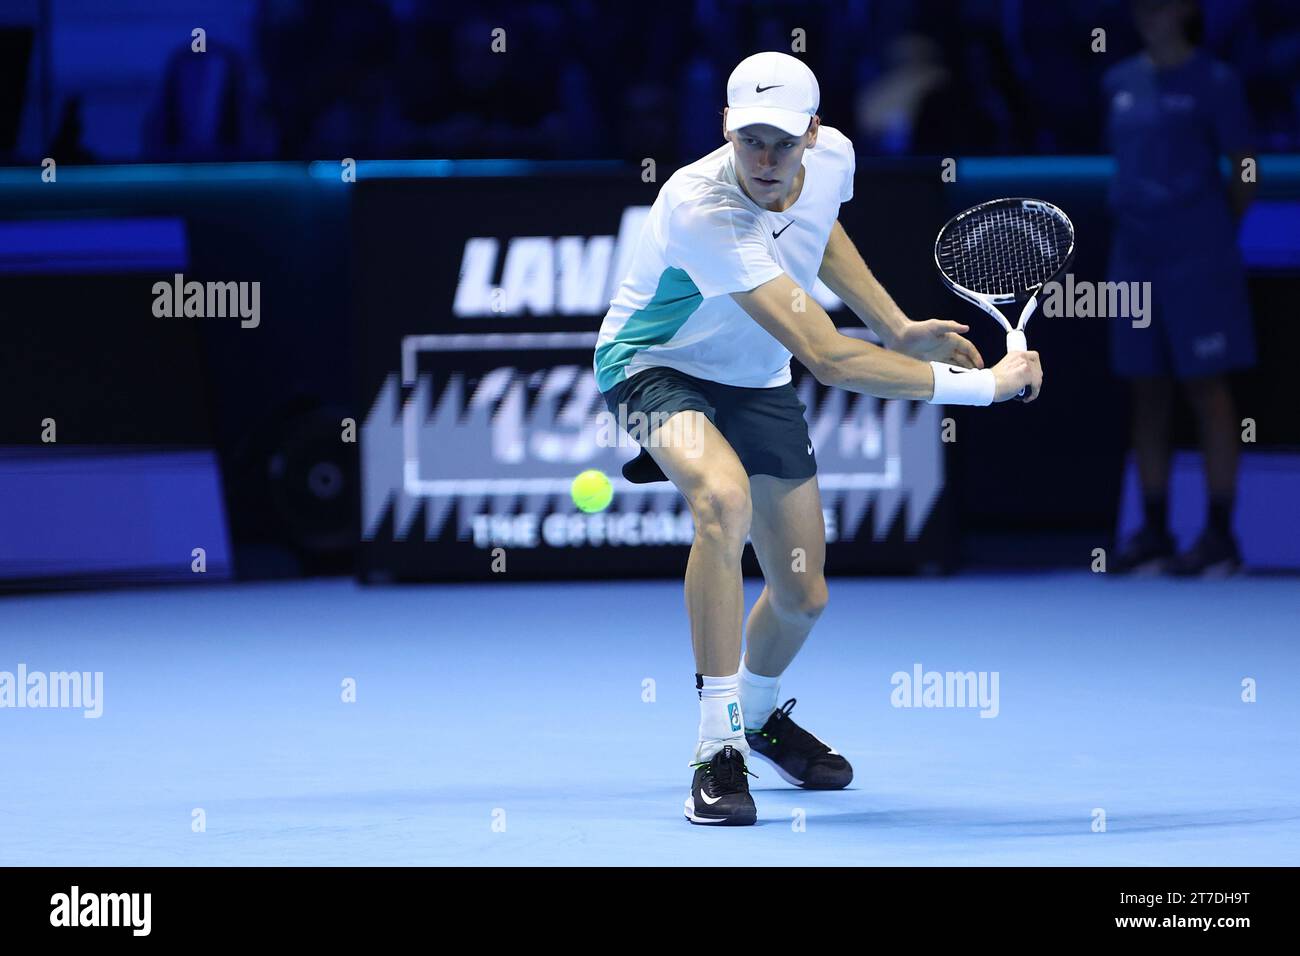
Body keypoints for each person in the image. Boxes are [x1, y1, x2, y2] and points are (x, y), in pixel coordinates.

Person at [592, 52, 1041, 825]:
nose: (765, 161)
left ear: (813, 133)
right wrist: (988, 387)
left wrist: (895, 326)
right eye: (750, 141)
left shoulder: (831, 160)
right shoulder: (703, 208)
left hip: (756, 378)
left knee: (802, 596)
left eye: (782, 142)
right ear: (725, 129)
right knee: (721, 502)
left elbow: (820, 228)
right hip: (653, 367)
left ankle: (760, 714)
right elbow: (829, 359)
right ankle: (716, 750)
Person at [1105, 0, 1257, 576]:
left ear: (1185, 10)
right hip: (1133, 258)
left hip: (1199, 260)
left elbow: (1245, 169)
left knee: (1207, 388)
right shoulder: (1117, 82)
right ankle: (1154, 531)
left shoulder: (1218, 82)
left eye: (1160, 4)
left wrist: (1211, 234)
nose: (1148, 13)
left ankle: (1220, 535)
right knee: (1145, 389)